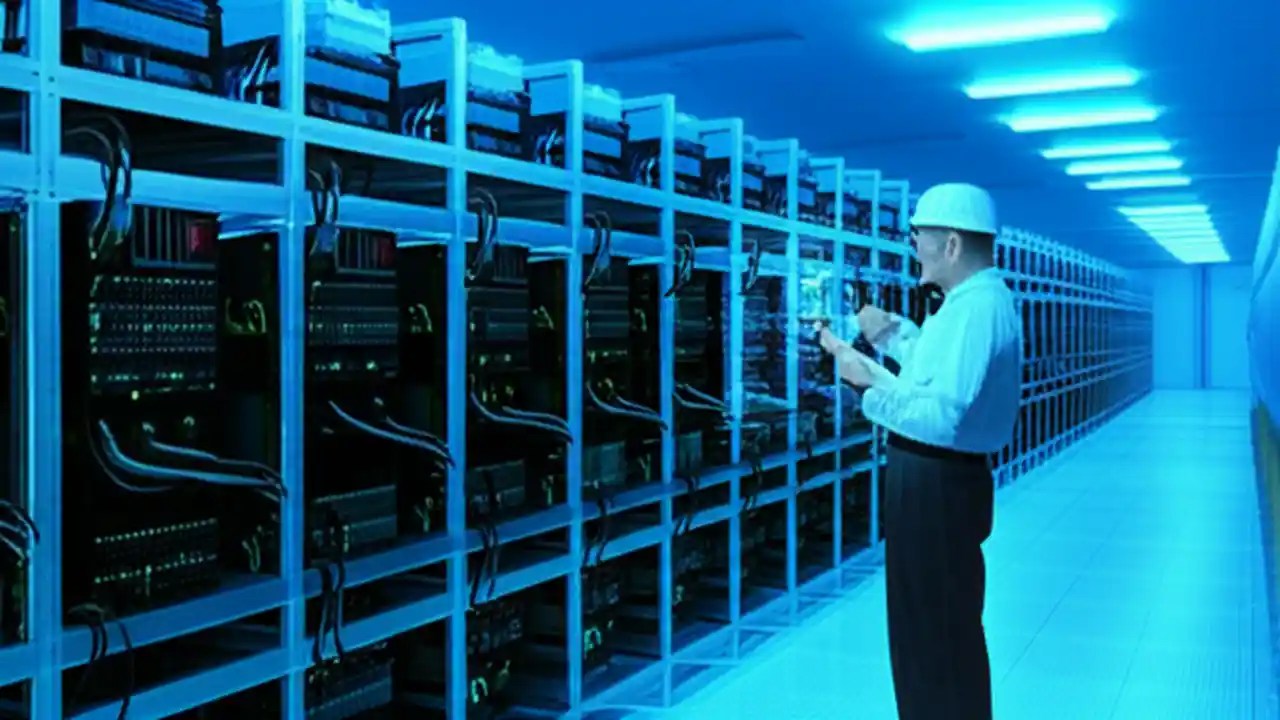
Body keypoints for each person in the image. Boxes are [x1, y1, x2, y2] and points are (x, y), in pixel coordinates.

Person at [817, 183, 1021, 720]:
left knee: (934, 633)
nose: (914, 247)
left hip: (938, 485)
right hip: (937, 481)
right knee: (930, 630)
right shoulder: (968, 304)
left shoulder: (978, 309)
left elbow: (940, 417)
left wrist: (864, 388)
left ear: (950, 245)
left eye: (919, 237)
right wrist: (886, 338)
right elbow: (932, 378)